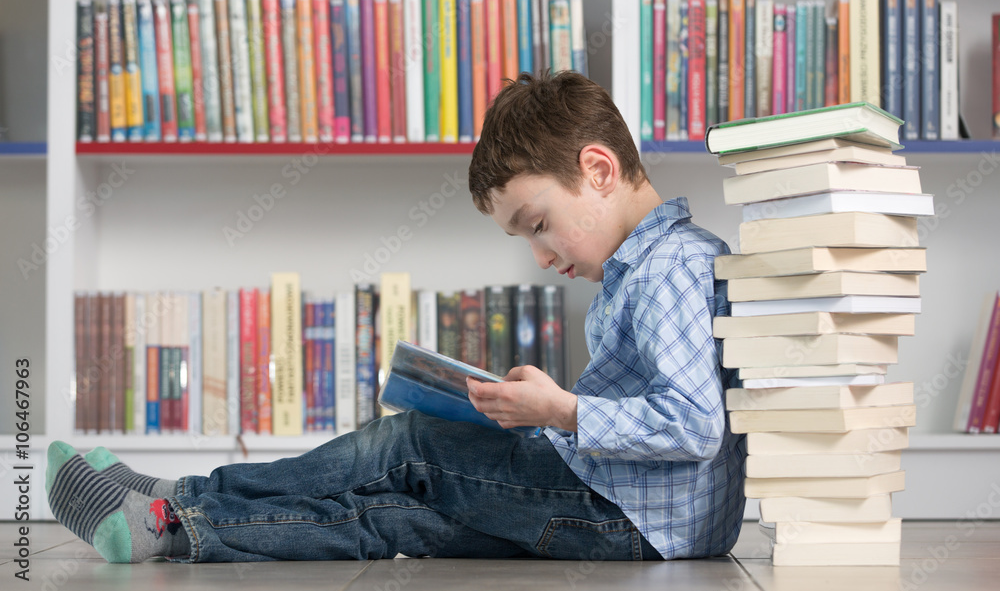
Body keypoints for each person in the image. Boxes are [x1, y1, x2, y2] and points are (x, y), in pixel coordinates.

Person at [45, 70, 745, 564]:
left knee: (409, 443)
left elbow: (693, 425)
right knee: (398, 515)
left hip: (628, 516)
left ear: (597, 170)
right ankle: (166, 531)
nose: (540, 255)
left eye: (538, 224)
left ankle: (183, 495)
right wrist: (548, 406)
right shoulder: (647, 267)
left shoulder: (668, 266)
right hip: (641, 517)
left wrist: (563, 411)